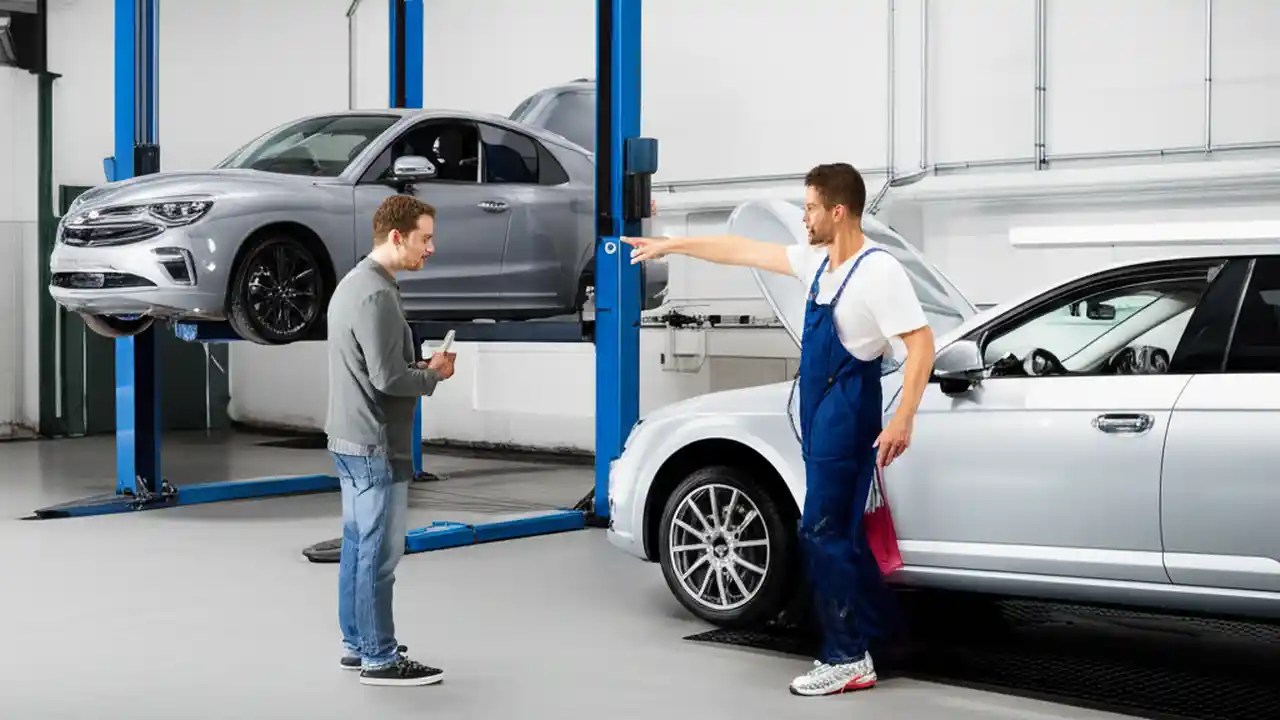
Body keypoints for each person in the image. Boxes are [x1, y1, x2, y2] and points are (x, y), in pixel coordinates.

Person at [624, 163, 935, 697]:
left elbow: (921, 343)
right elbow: (742, 251)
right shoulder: (818, 263)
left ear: (838, 211)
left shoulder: (876, 272)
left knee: (821, 531)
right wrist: (674, 245)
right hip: (820, 409)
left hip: (847, 406)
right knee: (842, 531)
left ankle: (846, 656)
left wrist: (903, 417)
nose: (805, 216)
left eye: (811, 207)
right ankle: (882, 637)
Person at [324, 194, 457, 687]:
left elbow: (372, 368)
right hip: (375, 445)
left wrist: (416, 369)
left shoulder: (353, 285)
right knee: (379, 557)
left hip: (349, 438)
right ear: (397, 236)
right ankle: (380, 658)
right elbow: (385, 378)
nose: (432, 248)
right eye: (425, 238)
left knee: (358, 549)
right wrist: (433, 374)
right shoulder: (377, 293)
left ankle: (357, 644)